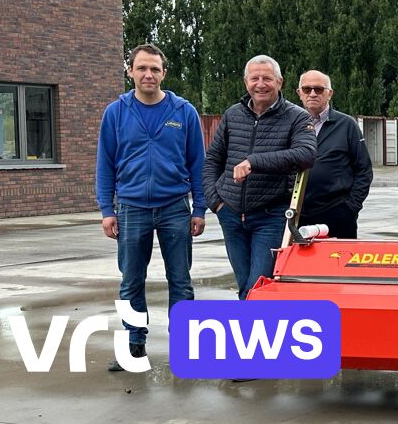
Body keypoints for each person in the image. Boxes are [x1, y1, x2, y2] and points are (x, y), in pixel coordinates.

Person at [95, 44, 206, 371]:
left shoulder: (183, 111)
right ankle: (134, 345)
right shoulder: (116, 112)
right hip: (131, 208)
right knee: (131, 281)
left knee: (181, 280)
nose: (148, 74)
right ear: (130, 71)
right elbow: (105, 164)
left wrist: (199, 208)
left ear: (164, 73)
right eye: (141, 68)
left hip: (175, 206)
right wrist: (106, 209)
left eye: (154, 69)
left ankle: (185, 345)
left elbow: (198, 163)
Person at [204, 55, 316, 299]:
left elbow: (306, 154)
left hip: (270, 216)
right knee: (245, 284)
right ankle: (253, 332)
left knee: (258, 286)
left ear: (280, 82)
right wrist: (216, 202)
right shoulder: (233, 115)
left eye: (267, 78)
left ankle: (249, 332)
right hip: (231, 214)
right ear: (246, 83)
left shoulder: (297, 117)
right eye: (254, 78)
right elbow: (213, 159)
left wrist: (254, 161)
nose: (260, 84)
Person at [296, 70, 373, 239]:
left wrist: (350, 208)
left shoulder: (347, 125)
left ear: (330, 93)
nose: (313, 94)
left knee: (338, 264)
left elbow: (364, 170)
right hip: (297, 214)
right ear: (299, 93)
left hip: (337, 214)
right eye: (307, 89)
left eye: (319, 89)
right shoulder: (291, 125)